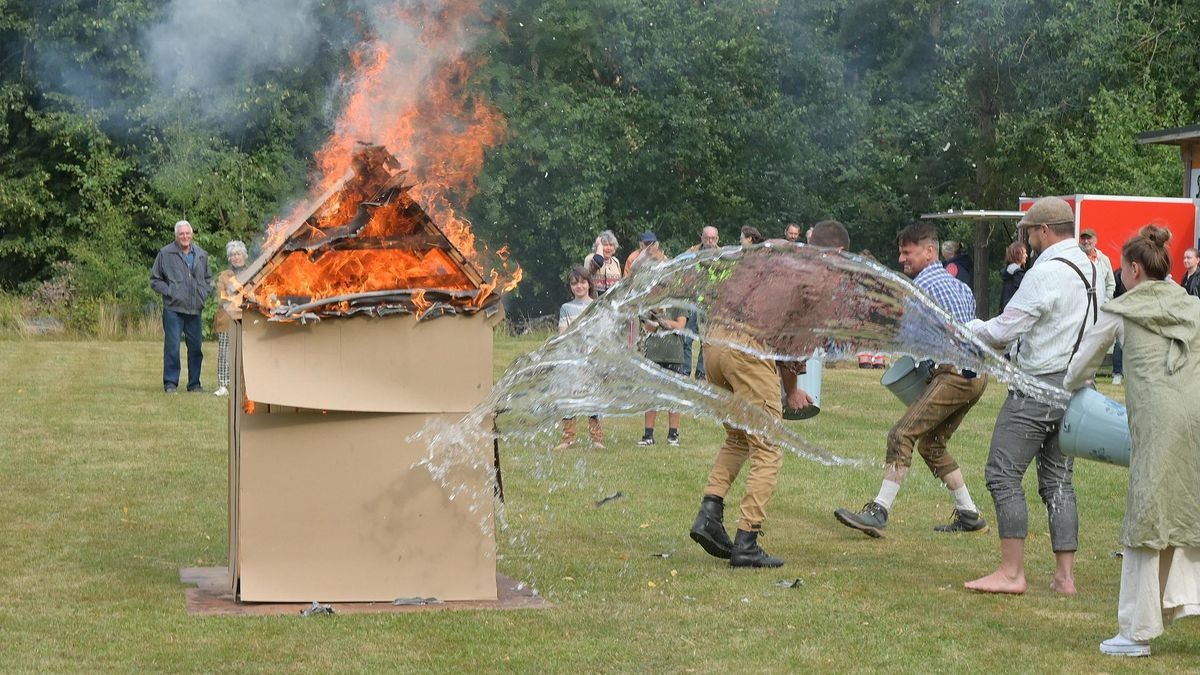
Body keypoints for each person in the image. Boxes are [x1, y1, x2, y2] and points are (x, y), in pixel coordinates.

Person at [1063, 225, 1200, 657]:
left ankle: (1136, 633)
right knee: (1190, 510)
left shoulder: (1121, 309)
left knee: (1146, 517)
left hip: (1159, 426)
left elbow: (1082, 365)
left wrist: (1074, 386)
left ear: (1134, 270)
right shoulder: (1193, 305)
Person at [963, 196, 1095, 595]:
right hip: (1076, 388)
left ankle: (1011, 573)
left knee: (1002, 472)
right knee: (1058, 481)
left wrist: (968, 330)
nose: (1028, 239)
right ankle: (1064, 578)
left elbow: (1006, 328)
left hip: (1037, 386)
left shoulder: (1045, 272)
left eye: (1029, 232)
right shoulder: (1090, 266)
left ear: (1043, 230)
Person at [834, 222, 989, 537]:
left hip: (954, 374)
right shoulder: (958, 285)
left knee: (901, 434)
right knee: (931, 445)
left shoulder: (925, 288)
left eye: (908, 252)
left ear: (929, 251)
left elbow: (918, 335)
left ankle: (879, 511)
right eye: (901, 252)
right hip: (975, 375)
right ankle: (969, 514)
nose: (902, 259)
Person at [150, 220, 213, 393]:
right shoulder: (165, 253)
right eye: (181, 234)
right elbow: (155, 280)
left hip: (195, 309)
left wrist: (203, 293)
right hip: (173, 309)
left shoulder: (201, 254)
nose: (185, 237)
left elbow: (208, 279)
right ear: (176, 236)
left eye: (187, 233)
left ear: (192, 235)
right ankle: (170, 383)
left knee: (196, 348)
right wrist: (170, 291)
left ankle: (194, 384)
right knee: (172, 347)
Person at [555, 265, 605, 450]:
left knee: (593, 397)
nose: (579, 287)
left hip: (592, 359)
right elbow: (563, 333)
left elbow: (600, 333)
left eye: (583, 282)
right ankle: (568, 437)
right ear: (570, 286)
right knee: (569, 396)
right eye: (575, 284)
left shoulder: (596, 306)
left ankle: (597, 438)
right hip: (572, 358)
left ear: (589, 284)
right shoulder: (566, 308)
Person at [637, 272, 687, 447]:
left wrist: (663, 322)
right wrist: (654, 322)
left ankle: (673, 434)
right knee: (651, 394)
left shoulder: (679, 300)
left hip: (674, 353)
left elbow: (680, 325)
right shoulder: (649, 302)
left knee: (674, 395)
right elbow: (648, 328)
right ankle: (648, 434)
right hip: (654, 353)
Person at [683, 226, 720, 380]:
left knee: (706, 341)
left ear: (717, 239)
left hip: (711, 303)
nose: (709, 241)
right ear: (702, 238)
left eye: (712, 238)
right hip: (692, 301)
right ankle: (684, 372)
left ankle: (701, 372)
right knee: (687, 338)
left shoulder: (723, 255)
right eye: (707, 238)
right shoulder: (692, 253)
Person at [213, 240, 248, 397]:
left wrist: (236, 296)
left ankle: (243, 385)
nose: (236, 257)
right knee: (224, 353)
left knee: (245, 353)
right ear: (229, 258)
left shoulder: (252, 272)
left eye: (238, 254)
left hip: (246, 319)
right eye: (232, 255)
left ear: (244, 256)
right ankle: (223, 385)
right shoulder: (224, 276)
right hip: (226, 319)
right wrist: (238, 297)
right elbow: (222, 297)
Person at [1079, 229, 1116, 304]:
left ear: (1095, 240)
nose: (1086, 241)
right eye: (1083, 239)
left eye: (1089, 238)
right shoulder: (1076, 259)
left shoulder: (1104, 260)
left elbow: (1111, 283)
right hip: (1082, 306)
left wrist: (1106, 300)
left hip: (1100, 305)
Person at [585, 230, 622, 296]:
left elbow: (620, 283)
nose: (608, 248)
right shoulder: (591, 258)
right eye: (605, 245)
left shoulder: (616, 261)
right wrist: (599, 247)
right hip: (594, 302)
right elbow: (598, 262)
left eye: (611, 245)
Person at [999, 241, 1027, 311]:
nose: (1026, 255)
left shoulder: (1007, 273)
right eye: (1024, 253)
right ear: (1017, 254)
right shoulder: (1018, 275)